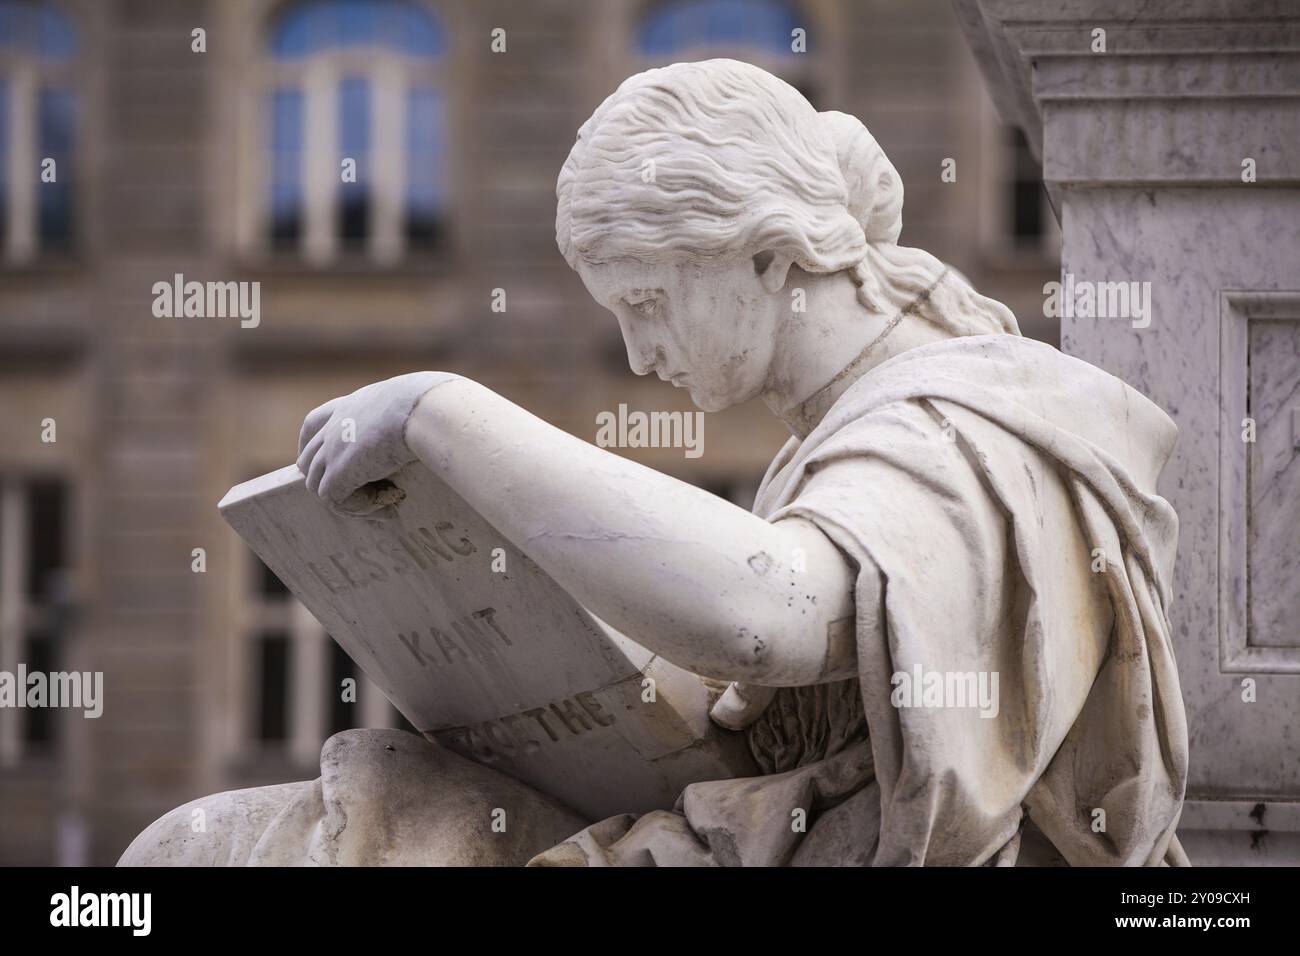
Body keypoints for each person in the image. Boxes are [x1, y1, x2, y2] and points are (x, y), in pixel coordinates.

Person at [121, 58, 1187, 867]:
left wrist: (445, 415)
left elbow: (762, 613)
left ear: (772, 256)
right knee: (212, 838)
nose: (637, 354)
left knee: (216, 847)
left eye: (646, 301)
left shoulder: (963, 420)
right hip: (711, 833)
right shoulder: (843, 439)